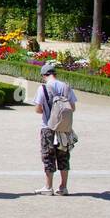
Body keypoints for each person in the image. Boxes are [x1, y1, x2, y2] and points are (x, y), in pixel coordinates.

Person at [34, 60, 77, 195]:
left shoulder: (43, 88)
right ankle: (63, 187)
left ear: (44, 75)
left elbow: (38, 109)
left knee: (48, 156)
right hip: (64, 127)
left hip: (48, 127)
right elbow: (73, 108)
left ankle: (48, 187)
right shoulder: (66, 86)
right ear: (55, 74)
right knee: (64, 156)